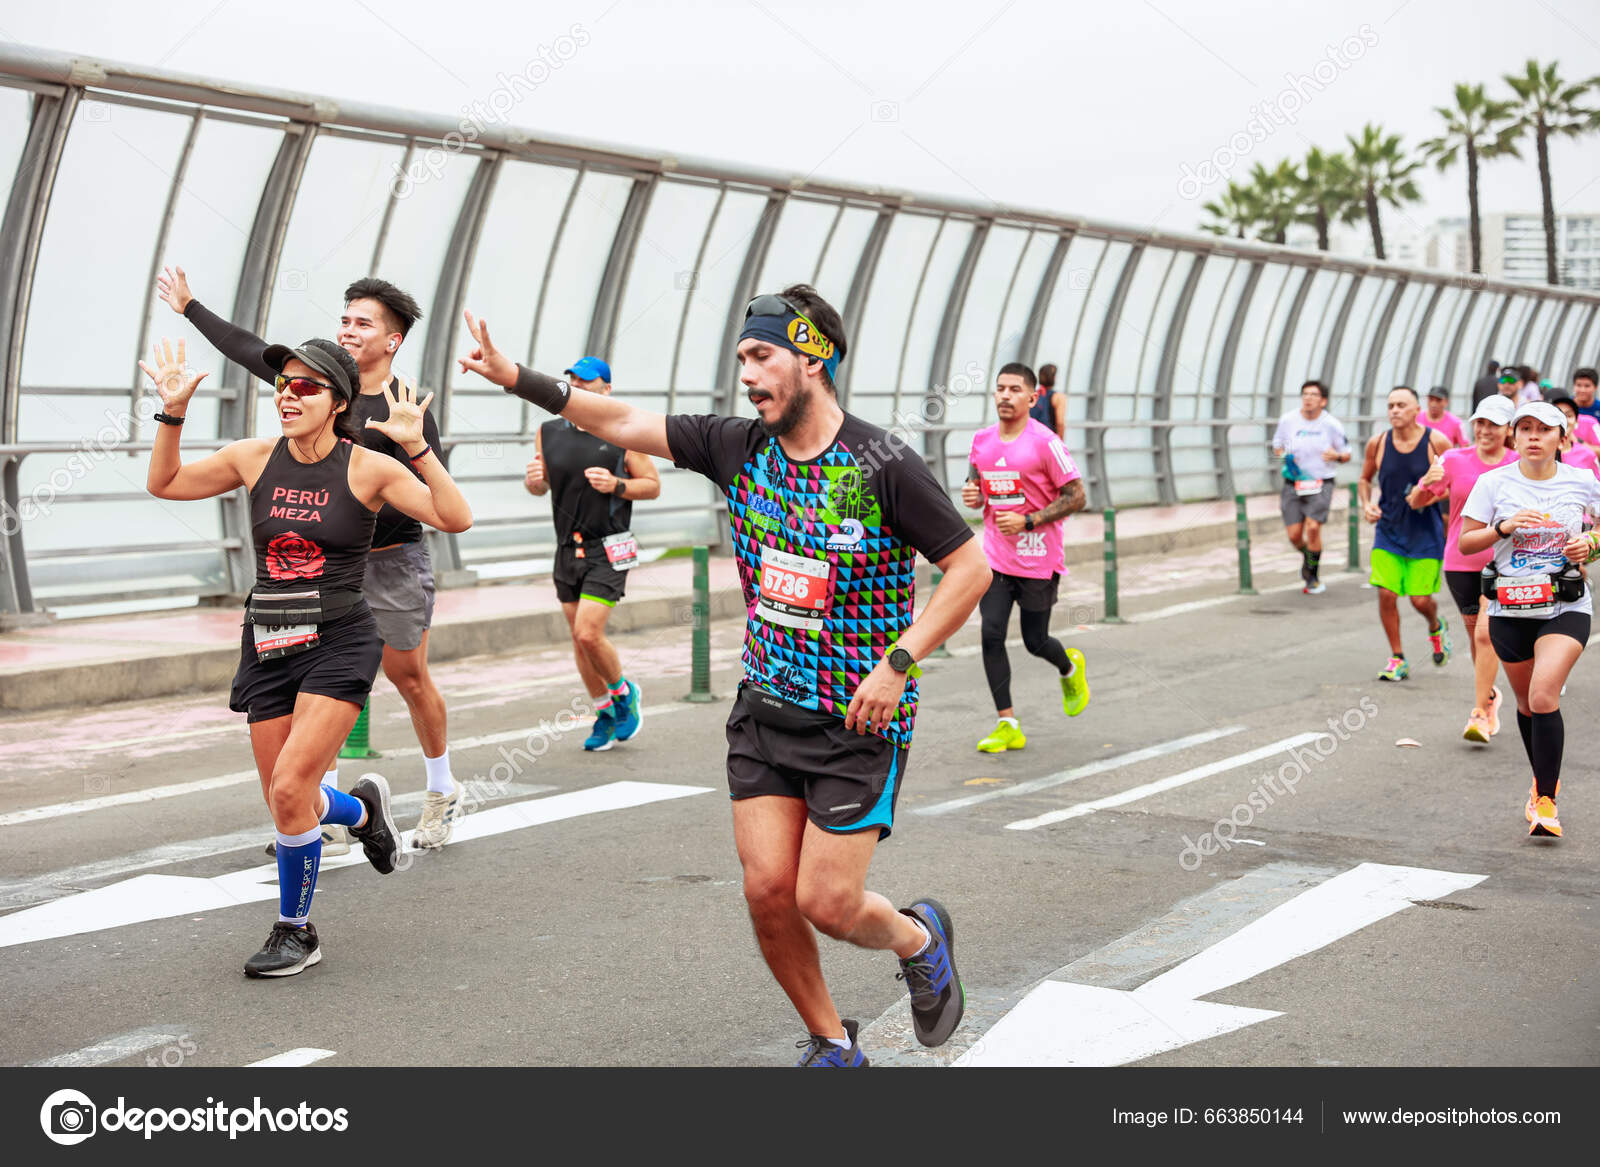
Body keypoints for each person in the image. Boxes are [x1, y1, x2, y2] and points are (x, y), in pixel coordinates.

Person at [458, 284, 991, 1066]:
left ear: (814, 358)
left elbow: (969, 567)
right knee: (769, 892)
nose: (747, 372)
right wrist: (518, 378)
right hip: (764, 710)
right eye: (742, 356)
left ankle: (917, 938)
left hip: (857, 722)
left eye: (763, 355)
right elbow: (620, 420)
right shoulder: (736, 445)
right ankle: (831, 1041)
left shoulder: (882, 463)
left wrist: (896, 663)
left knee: (828, 901)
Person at [142, 336, 471, 975]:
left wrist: (418, 449)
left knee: (294, 786)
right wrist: (173, 412)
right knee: (284, 798)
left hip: (340, 639)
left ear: (338, 402)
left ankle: (296, 930)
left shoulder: (366, 467)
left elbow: (454, 518)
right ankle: (364, 811)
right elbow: (167, 483)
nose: (288, 395)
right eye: (282, 385)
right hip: (267, 640)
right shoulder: (252, 456)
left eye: (306, 386)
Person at [159, 269, 463, 852]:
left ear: (391, 340)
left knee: (406, 675)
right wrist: (192, 307)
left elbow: (437, 502)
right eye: (344, 319)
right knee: (306, 678)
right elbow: (248, 348)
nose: (348, 330)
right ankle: (313, 805)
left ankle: (441, 788)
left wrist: (366, 497)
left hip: (388, 561)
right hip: (312, 574)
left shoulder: (401, 407)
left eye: (362, 323)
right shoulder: (313, 384)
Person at [1459, 401, 1600, 838]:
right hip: (1509, 608)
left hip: (1565, 605)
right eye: (1526, 429)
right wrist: (1503, 529)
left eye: (1544, 429)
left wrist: (1591, 543)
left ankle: (1545, 802)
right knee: (1524, 705)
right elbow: (1466, 543)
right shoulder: (1493, 482)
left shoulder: (1582, 480)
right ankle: (1543, 780)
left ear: (1563, 438)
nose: (1534, 436)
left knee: (1543, 696)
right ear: (1513, 438)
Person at [523, 356, 659, 750]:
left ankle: (623, 693)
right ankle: (603, 712)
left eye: (586, 381)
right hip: (567, 548)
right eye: (572, 380)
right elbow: (540, 485)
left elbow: (651, 485)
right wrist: (533, 481)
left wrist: (617, 485)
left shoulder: (622, 433)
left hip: (610, 547)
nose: (577, 386)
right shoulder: (548, 431)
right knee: (578, 639)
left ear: (606, 389)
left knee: (588, 631)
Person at [962, 362, 1090, 754]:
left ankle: (1069, 668)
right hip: (996, 558)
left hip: (1038, 558)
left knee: (1036, 640)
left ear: (1033, 398)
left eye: (1015, 389)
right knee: (991, 634)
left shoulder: (1045, 442)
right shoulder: (982, 441)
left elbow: (1077, 496)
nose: (1005, 395)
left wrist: (1029, 520)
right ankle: (1007, 723)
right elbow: (975, 482)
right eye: (1000, 388)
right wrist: (974, 495)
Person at [1411, 394, 1516, 742]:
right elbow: (1417, 502)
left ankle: (1478, 714)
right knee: (1476, 636)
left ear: (1508, 429)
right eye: (1480, 423)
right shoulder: (1454, 459)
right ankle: (1489, 697)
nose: (1484, 430)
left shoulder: (1519, 463)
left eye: (1493, 424)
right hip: (1461, 562)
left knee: (1486, 634)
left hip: (1505, 562)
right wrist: (1427, 481)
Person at [1359, 386, 1454, 680]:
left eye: (1401, 405)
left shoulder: (1436, 441)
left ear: (1416, 411)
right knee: (1386, 593)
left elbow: (1456, 482)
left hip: (1425, 533)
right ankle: (1397, 657)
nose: (1395, 411)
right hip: (1388, 530)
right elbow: (1364, 479)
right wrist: (1366, 505)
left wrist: (1428, 497)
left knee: (1419, 600)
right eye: (1390, 406)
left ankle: (1435, 625)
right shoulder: (1378, 443)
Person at [1271, 379, 1352, 595]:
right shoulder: (1288, 420)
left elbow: (1347, 453)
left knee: (1313, 527)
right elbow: (1277, 446)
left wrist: (1337, 456)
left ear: (1323, 401)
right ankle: (1309, 557)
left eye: (1313, 395)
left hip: (1320, 482)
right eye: (1305, 394)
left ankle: (1312, 576)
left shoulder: (1331, 424)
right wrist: (1283, 456)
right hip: (1293, 483)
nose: (1308, 398)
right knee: (1294, 535)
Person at [1548, 393, 1600, 479]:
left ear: (1576, 422)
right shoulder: (1534, 451)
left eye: (1569, 415)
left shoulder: (1588, 455)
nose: (1563, 419)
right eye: (1558, 414)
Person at [1027, 362, 1066, 438]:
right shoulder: (1058, 397)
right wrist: (1060, 443)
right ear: (1054, 378)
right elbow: (1060, 423)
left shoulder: (1033, 395)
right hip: (1048, 438)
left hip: (1032, 438)